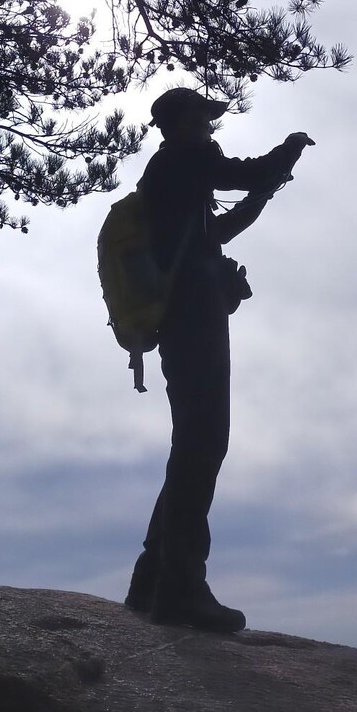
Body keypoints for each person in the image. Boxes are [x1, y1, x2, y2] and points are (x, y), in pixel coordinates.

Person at [124, 86, 314, 633]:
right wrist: (289, 152)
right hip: (193, 319)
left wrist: (267, 190)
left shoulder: (170, 177)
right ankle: (179, 589)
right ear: (182, 123)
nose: (211, 128)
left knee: (193, 442)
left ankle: (151, 580)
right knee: (204, 443)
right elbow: (243, 174)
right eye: (204, 119)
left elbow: (218, 231)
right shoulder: (185, 159)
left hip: (184, 319)